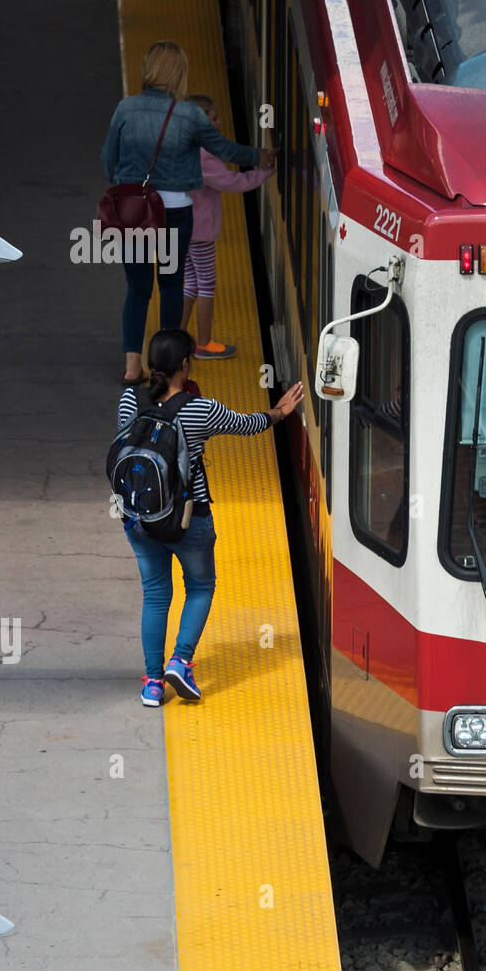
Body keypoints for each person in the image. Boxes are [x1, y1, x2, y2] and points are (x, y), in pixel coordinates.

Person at [120, 327, 303, 707]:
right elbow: (247, 424)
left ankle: (153, 683)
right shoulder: (199, 408)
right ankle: (181, 660)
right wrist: (280, 411)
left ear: (153, 364)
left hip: (140, 517)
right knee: (200, 587)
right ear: (185, 364)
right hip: (189, 518)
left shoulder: (129, 399)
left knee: (155, 595)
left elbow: (127, 444)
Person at [101, 41, 275, 385]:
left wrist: (127, 185)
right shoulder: (189, 114)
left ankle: (132, 366)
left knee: (137, 289)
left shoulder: (126, 108)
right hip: (174, 213)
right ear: (179, 73)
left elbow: (109, 158)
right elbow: (223, 149)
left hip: (133, 210)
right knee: (170, 286)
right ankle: (164, 367)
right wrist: (260, 156)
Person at [180, 94, 274, 360]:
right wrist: (266, 171)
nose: (219, 123)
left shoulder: (183, 147)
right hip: (201, 231)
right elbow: (233, 182)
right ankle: (204, 343)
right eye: (214, 118)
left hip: (183, 226)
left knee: (191, 284)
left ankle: (177, 335)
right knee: (207, 284)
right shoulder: (204, 156)